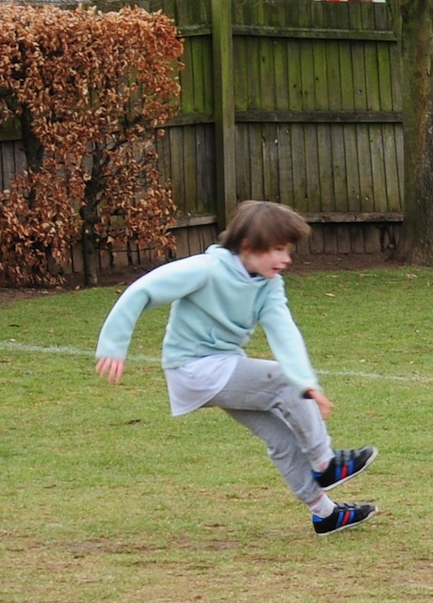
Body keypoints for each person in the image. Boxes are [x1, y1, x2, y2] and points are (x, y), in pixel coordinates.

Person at [95, 201, 378, 536]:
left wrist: (307, 381)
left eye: (287, 250)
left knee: (281, 439)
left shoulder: (269, 285)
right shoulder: (206, 269)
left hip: (225, 369)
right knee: (283, 382)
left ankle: (324, 513)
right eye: (277, 249)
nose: (286, 259)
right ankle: (325, 463)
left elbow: (284, 331)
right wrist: (113, 344)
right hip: (194, 369)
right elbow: (142, 290)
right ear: (247, 247)